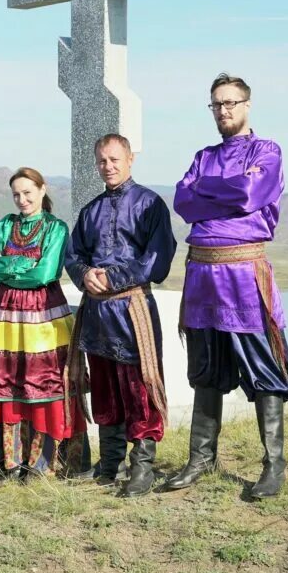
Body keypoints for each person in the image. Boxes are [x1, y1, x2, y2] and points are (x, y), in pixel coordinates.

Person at [168, 74, 288, 499]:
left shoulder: (268, 151)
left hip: (244, 273)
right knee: (205, 367)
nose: (224, 110)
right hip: (203, 274)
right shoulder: (203, 156)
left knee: (262, 365)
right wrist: (213, 193)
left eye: (231, 103)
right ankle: (201, 459)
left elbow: (249, 193)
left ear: (247, 104)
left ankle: (273, 463)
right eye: (216, 105)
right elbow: (183, 202)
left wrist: (209, 193)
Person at [64, 134, 177, 498]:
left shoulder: (149, 204)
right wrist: (84, 275)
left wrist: (113, 277)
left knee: (139, 388)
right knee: (106, 387)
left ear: (130, 159)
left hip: (132, 310)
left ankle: (141, 467)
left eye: (114, 159)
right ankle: (109, 464)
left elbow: (157, 258)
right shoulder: (91, 210)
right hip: (98, 313)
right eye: (102, 161)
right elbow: (74, 254)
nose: (108, 166)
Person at [0, 167, 90, 482]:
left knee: (45, 383)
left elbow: (46, 274)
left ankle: (42, 463)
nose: (22, 199)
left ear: (42, 190)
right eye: (16, 194)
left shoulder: (55, 228)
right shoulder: (2, 225)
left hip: (43, 317)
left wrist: (8, 266)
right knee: (6, 382)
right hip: (5, 317)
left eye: (27, 192)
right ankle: (8, 462)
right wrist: (22, 263)